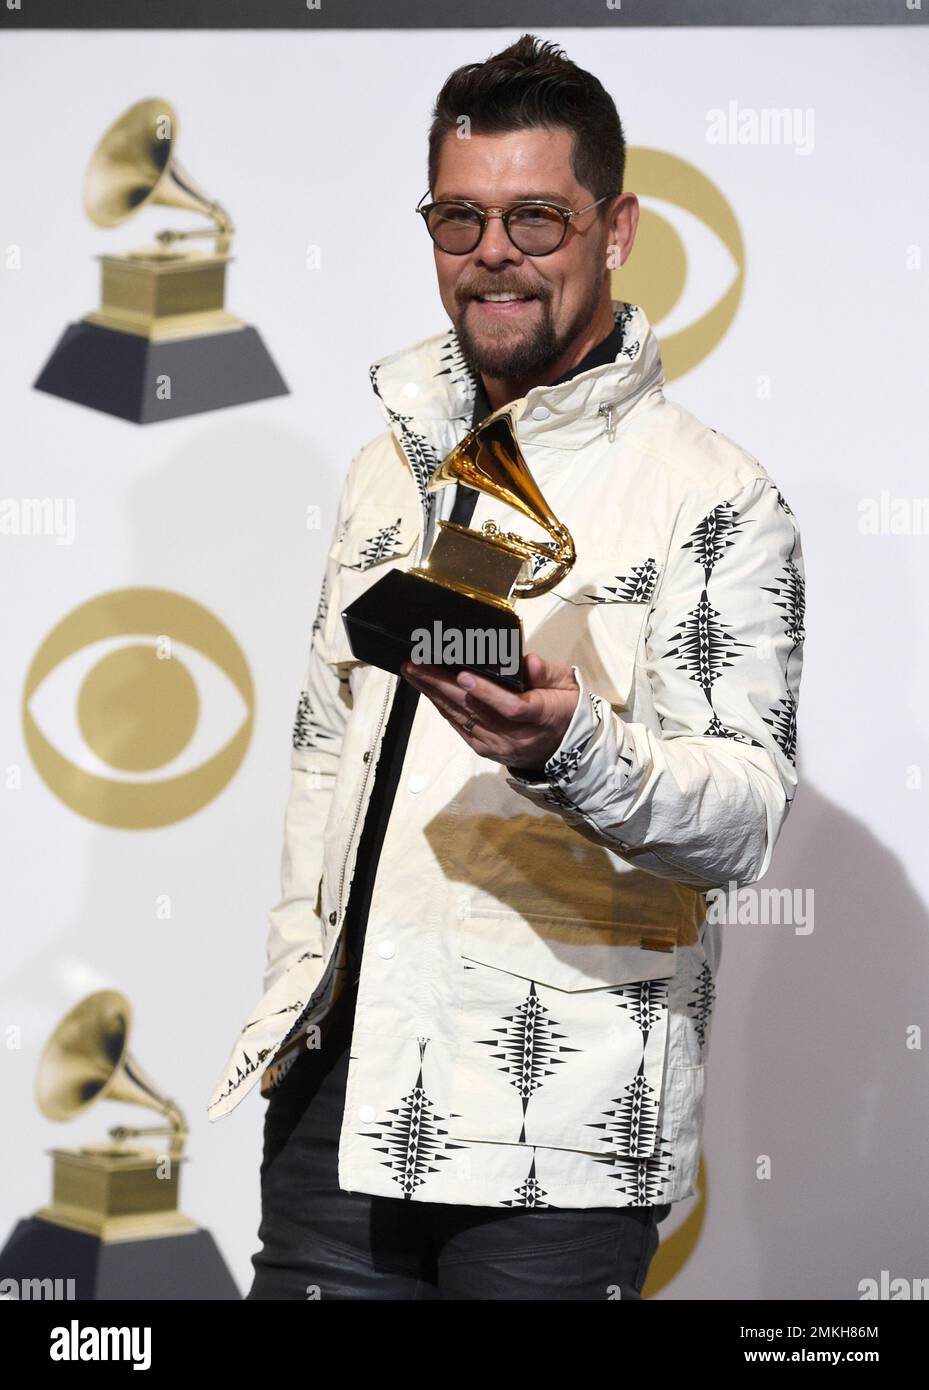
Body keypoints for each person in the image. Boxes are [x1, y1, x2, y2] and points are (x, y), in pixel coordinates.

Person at [207, 33, 805, 1301]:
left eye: (536, 216)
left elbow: (746, 813)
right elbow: (324, 766)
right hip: (337, 1102)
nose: (494, 252)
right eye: (459, 217)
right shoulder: (386, 467)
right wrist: (287, 1016)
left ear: (615, 227)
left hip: (562, 1135)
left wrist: (566, 744)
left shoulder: (714, 497)